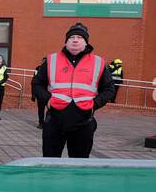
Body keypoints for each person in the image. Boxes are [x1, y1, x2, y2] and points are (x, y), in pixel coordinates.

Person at [35, 23, 116, 159]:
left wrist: (94, 105)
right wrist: (48, 100)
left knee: (79, 167)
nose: (75, 40)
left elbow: (109, 89)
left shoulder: (98, 62)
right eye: (71, 37)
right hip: (54, 122)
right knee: (50, 165)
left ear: (86, 43)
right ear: (66, 42)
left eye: (79, 37)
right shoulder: (51, 60)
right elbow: (37, 84)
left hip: (83, 123)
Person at [30, 60, 48, 128]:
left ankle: (47, 122)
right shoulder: (37, 69)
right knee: (41, 109)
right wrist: (33, 94)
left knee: (50, 109)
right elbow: (33, 82)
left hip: (49, 93)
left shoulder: (51, 70)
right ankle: (41, 123)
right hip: (40, 92)